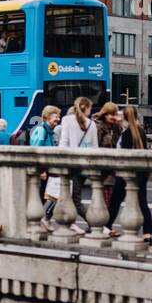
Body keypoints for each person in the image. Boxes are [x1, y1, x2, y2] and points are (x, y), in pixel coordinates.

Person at [48, 97, 96, 233]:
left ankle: (86, 223)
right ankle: (82, 223)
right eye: (90, 108)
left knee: (69, 196)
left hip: (70, 165)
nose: (91, 111)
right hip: (84, 165)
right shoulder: (92, 124)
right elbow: (95, 147)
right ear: (85, 108)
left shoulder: (66, 121)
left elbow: (63, 143)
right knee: (72, 197)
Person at [107, 106, 152, 240]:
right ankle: (147, 232)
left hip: (126, 173)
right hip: (141, 174)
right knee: (143, 203)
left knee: (115, 200)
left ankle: (106, 226)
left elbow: (124, 155)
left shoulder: (127, 133)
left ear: (125, 117)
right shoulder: (141, 131)